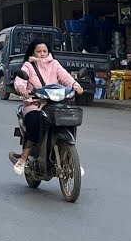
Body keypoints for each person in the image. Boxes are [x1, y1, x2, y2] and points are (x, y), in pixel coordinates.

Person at [10, 40, 82, 176]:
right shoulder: (28, 66)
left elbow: (65, 77)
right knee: (34, 120)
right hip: (35, 104)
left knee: (68, 119)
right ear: (33, 52)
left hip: (55, 104)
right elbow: (20, 80)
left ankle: (71, 159)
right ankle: (24, 159)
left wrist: (75, 85)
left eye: (44, 51)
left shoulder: (55, 64)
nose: (42, 54)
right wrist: (22, 88)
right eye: (39, 51)